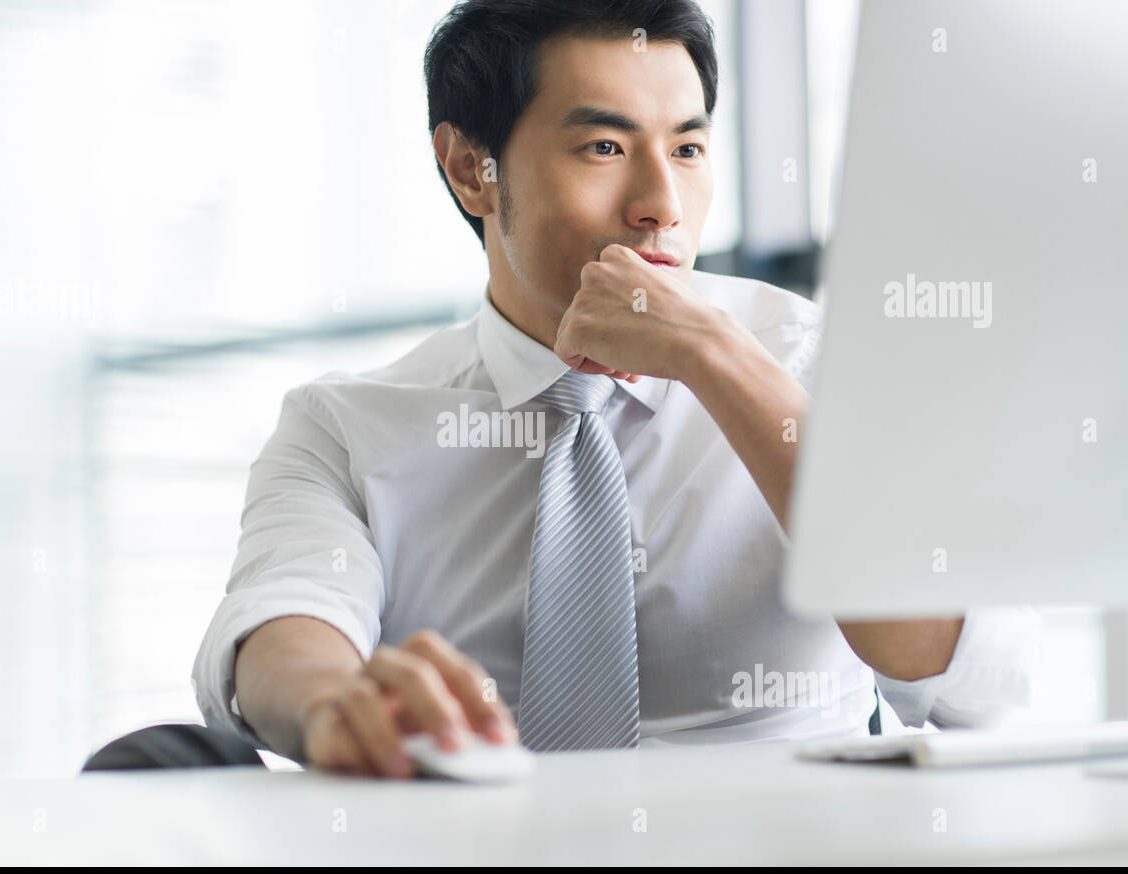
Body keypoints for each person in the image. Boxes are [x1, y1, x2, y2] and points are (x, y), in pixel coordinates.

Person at [188, 0, 1036, 779]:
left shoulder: (821, 364)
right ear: (470, 169)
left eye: (688, 149)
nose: (661, 205)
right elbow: (280, 623)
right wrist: (336, 700)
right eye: (605, 147)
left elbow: (961, 676)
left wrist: (717, 358)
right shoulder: (345, 425)